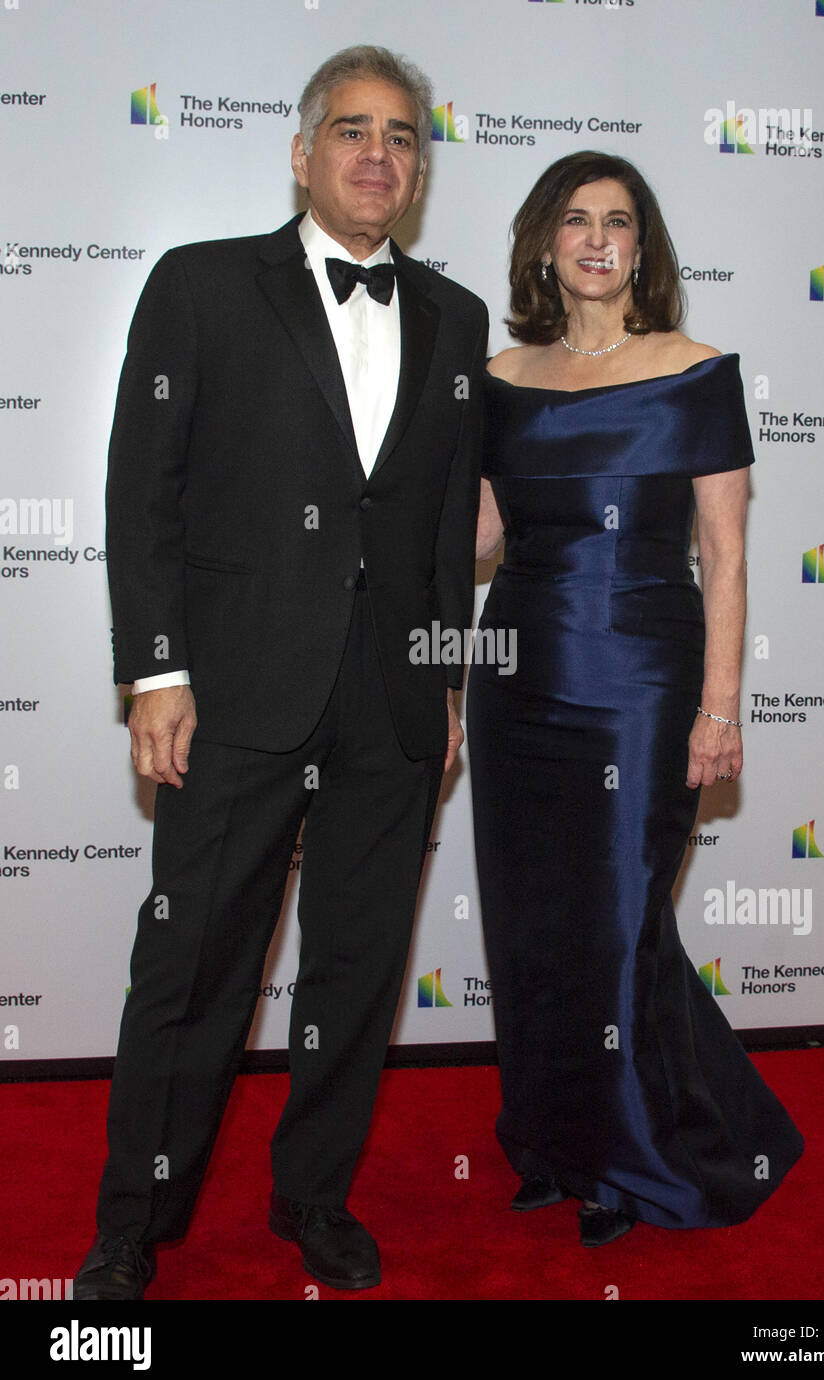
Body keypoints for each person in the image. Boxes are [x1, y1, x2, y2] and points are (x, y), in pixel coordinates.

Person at [74, 45, 488, 1298]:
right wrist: (156, 673)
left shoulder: (458, 319)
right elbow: (141, 489)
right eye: (352, 130)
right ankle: (130, 1229)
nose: (377, 153)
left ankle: (311, 1197)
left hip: (390, 704)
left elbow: (437, 525)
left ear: (418, 170)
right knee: (193, 965)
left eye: (402, 136)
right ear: (301, 151)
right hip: (237, 691)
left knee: (356, 973)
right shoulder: (200, 288)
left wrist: (447, 680)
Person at [467, 151, 802, 1247]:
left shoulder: (694, 371)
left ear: (642, 248)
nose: (596, 238)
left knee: (615, 924)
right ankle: (546, 1141)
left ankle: (627, 1156)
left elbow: (726, 553)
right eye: (574, 220)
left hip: (640, 687)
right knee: (529, 926)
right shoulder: (499, 377)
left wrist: (718, 706)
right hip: (515, 681)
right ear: (543, 245)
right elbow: (475, 539)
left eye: (617, 220)